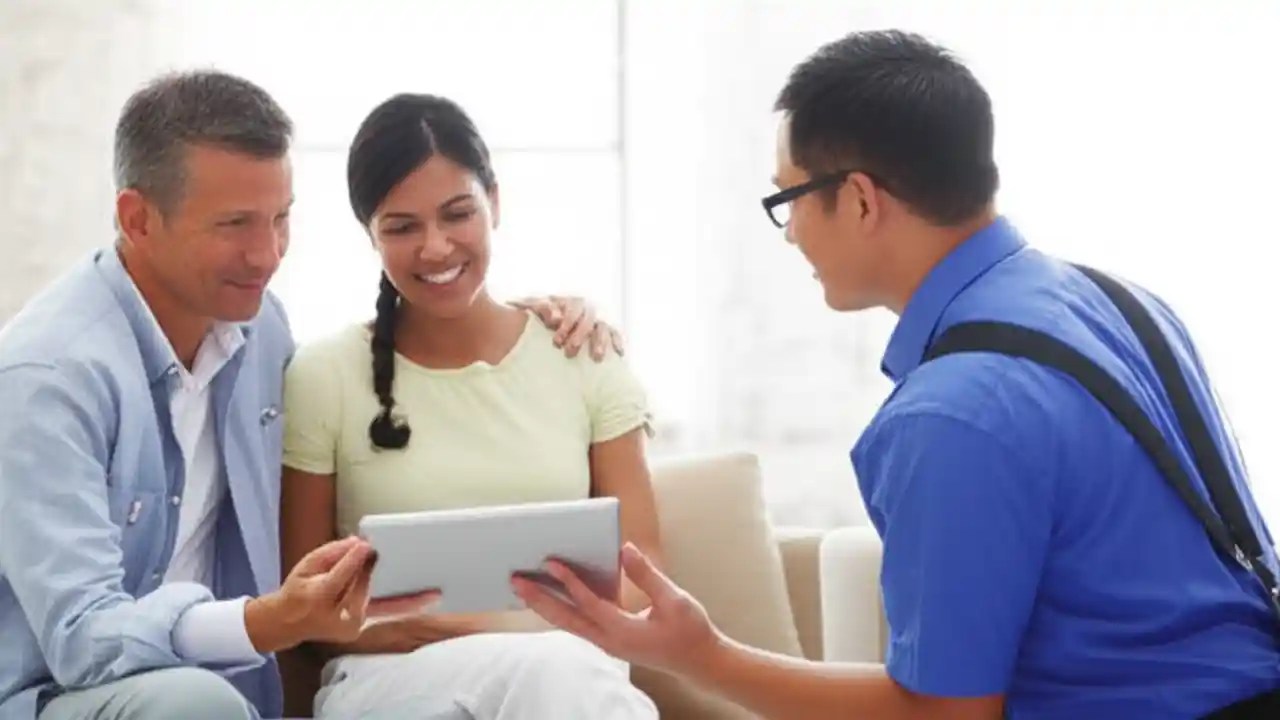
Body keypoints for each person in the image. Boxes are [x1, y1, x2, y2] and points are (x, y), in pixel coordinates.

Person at [513, 29, 1280, 720]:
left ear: (857, 199)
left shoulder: (951, 414)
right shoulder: (1128, 305)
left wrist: (700, 655)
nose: (789, 237)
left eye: (788, 199)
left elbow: (944, 717)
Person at [0, 70, 626, 720]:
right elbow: (80, 639)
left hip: (232, 693)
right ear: (137, 218)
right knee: (196, 702)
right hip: (64, 695)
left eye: (281, 218)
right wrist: (262, 623)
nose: (267, 254)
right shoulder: (48, 377)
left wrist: (513, 318)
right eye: (235, 224)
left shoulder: (258, 330)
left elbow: (408, 353)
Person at [277, 93, 663, 720]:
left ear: (496, 203)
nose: (435, 248)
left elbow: (643, 578)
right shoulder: (325, 375)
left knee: (562, 676)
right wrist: (508, 628)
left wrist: (517, 633)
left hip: (567, 670)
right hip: (393, 684)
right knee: (562, 674)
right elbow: (306, 610)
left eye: (457, 214)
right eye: (402, 227)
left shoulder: (582, 355)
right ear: (370, 235)